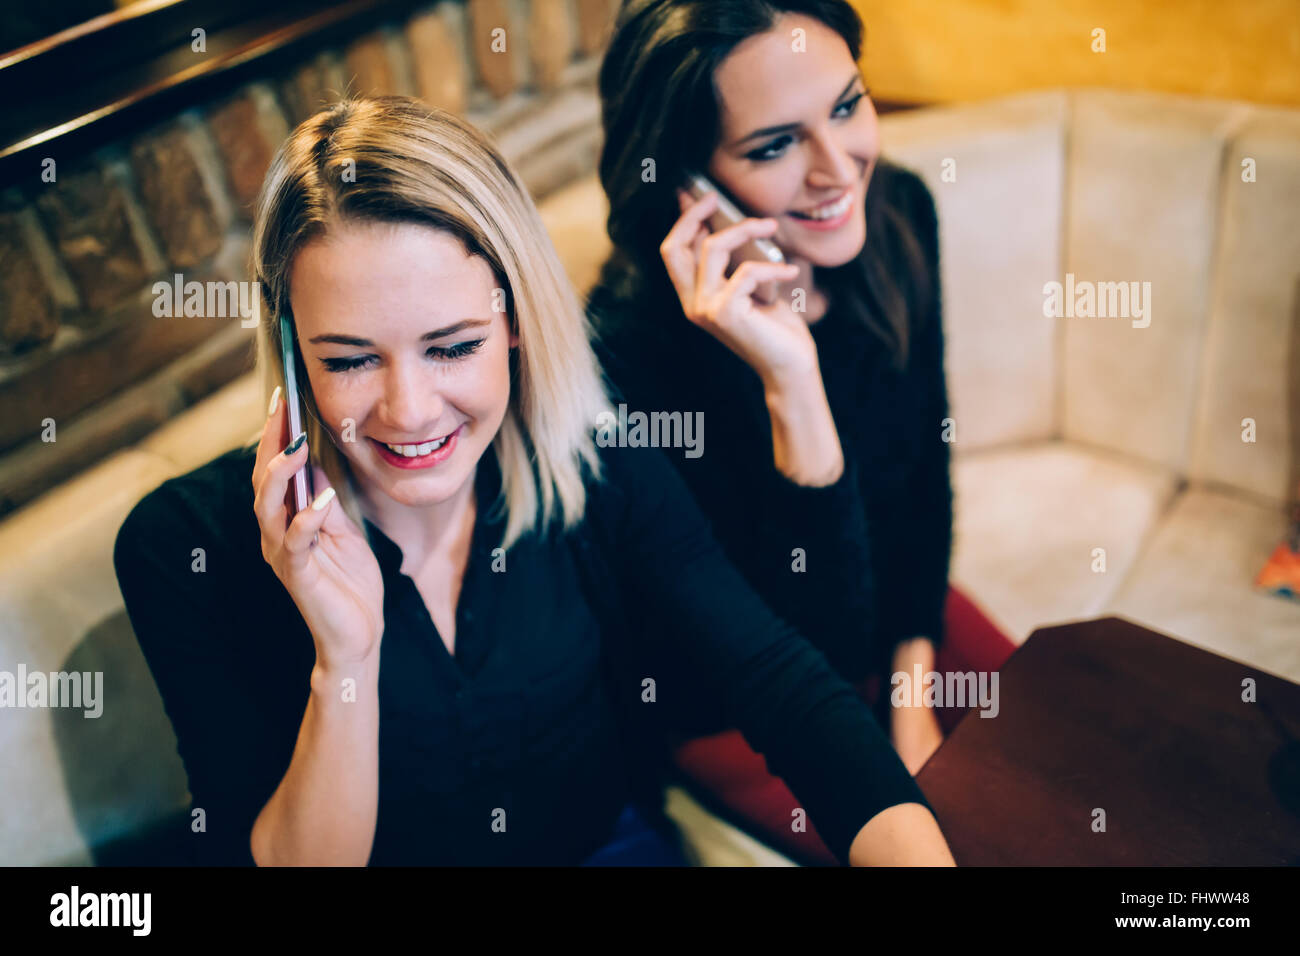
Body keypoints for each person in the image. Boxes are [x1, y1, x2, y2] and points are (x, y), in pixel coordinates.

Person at [112, 96, 956, 866]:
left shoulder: (594, 456)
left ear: (515, 321)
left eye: (452, 347)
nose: (409, 412)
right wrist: (347, 661)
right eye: (349, 359)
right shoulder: (185, 547)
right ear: (293, 360)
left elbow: (781, 679)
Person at [589, 0, 1018, 864]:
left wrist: (910, 696)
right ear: (686, 183)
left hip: (892, 618)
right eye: (775, 145)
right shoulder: (628, 353)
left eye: (848, 106)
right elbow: (791, 649)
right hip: (736, 701)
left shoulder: (897, 211)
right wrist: (792, 380)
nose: (839, 169)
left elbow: (923, 483)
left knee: (1075, 751)